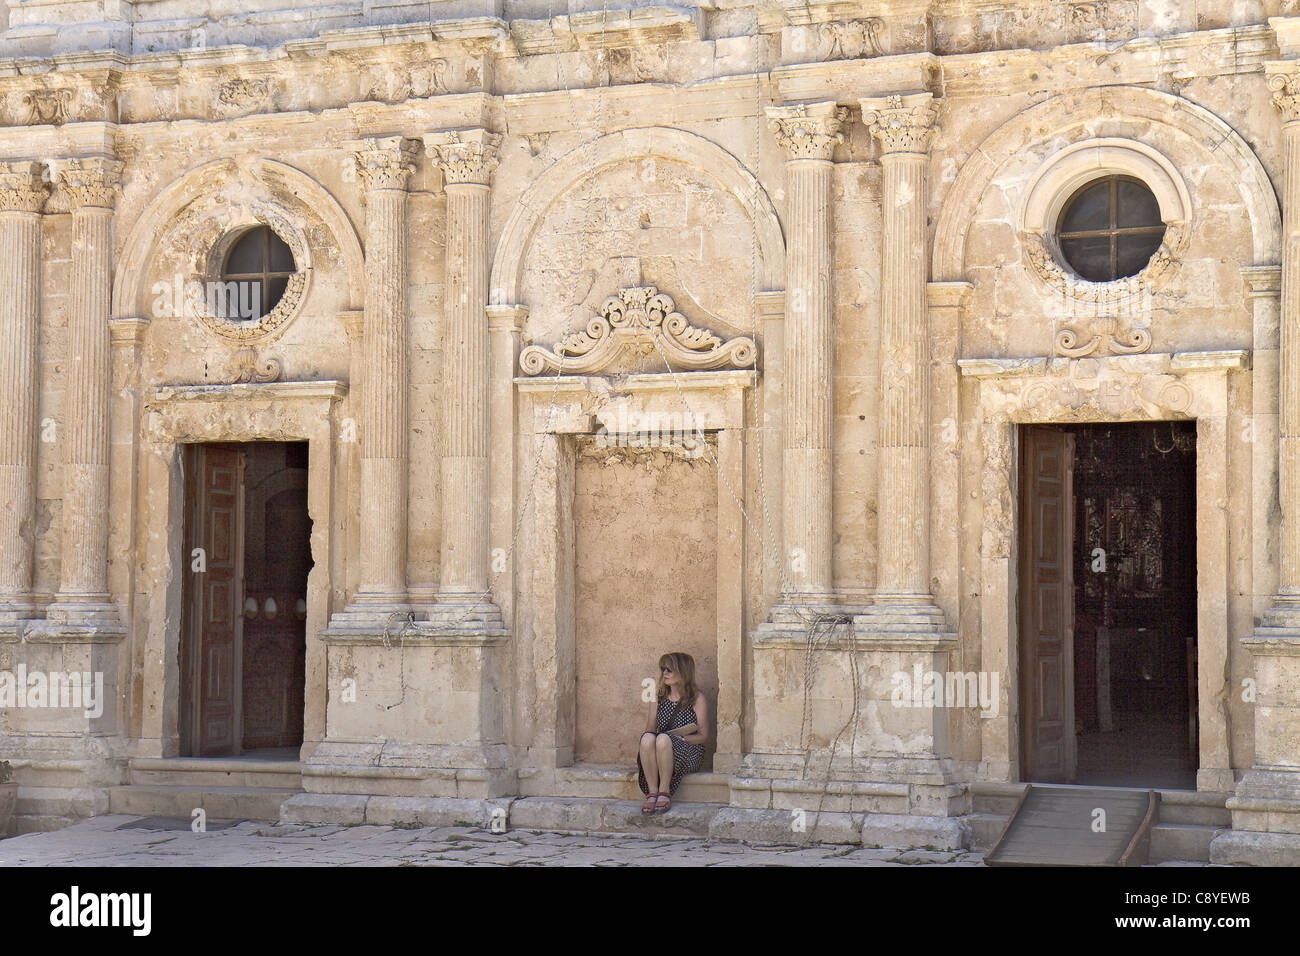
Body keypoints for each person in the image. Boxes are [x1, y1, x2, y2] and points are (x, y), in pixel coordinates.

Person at [637, 651, 708, 814]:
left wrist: (679, 738)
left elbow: (704, 736)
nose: (665, 673)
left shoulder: (697, 699)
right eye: (663, 669)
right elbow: (649, 729)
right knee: (647, 738)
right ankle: (652, 792)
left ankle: (664, 791)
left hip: (688, 751)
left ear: (682, 671)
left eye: (669, 669)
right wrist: (658, 740)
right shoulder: (658, 697)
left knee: (663, 739)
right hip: (661, 748)